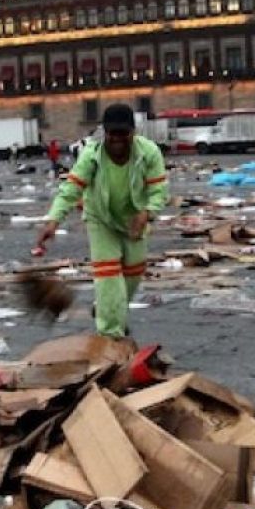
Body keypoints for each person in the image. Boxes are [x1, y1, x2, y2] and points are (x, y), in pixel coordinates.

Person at [35, 103, 167, 339]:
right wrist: (53, 221)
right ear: (104, 133)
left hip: (134, 220)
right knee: (108, 276)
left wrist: (147, 212)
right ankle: (110, 335)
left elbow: (159, 190)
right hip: (101, 219)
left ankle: (106, 309)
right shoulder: (92, 155)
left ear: (133, 133)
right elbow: (71, 189)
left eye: (122, 134)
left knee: (133, 274)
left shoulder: (149, 153)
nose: (116, 139)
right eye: (111, 134)